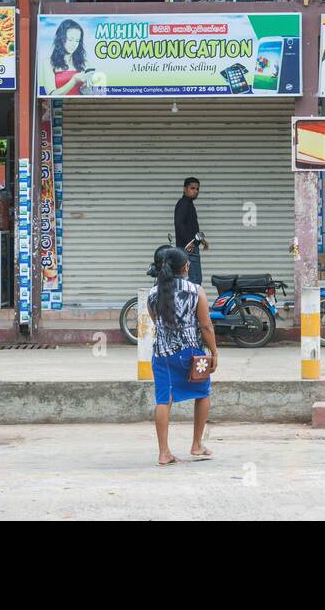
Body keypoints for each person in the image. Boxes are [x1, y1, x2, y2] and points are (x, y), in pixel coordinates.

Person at [148, 246, 218, 465]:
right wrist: (214, 352)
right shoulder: (196, 290)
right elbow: (206, 326)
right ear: (184, 267)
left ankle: (163, 452)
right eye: (188, 263)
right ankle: (197, 444)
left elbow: (155, 322)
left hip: (162, 354)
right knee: (203, 393)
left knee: (163, 400)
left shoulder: (152, 293)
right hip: (192, 353)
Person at [39, 18, 97, 96]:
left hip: (81, 106)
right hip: (60, 106)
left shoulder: (85, 63)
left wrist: (87, 89)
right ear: (61, 39)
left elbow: (91, 95)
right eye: (70, 40)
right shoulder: (49, 62)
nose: (74, 44)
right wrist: (73, 81)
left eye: (77, 41)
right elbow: (51, 94)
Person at [174, 178, 208, 284]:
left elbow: (192, 227)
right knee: (194, 281)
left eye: (197, 189)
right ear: (185, 189)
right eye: (192, 188)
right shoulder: (184, 203)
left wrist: (201, 240)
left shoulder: (189, 204)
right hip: (188, 250)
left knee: (194, 281)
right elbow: (179, 224)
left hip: (191, 249)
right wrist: (190, 243)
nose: (196, 191)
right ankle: (193, 301)